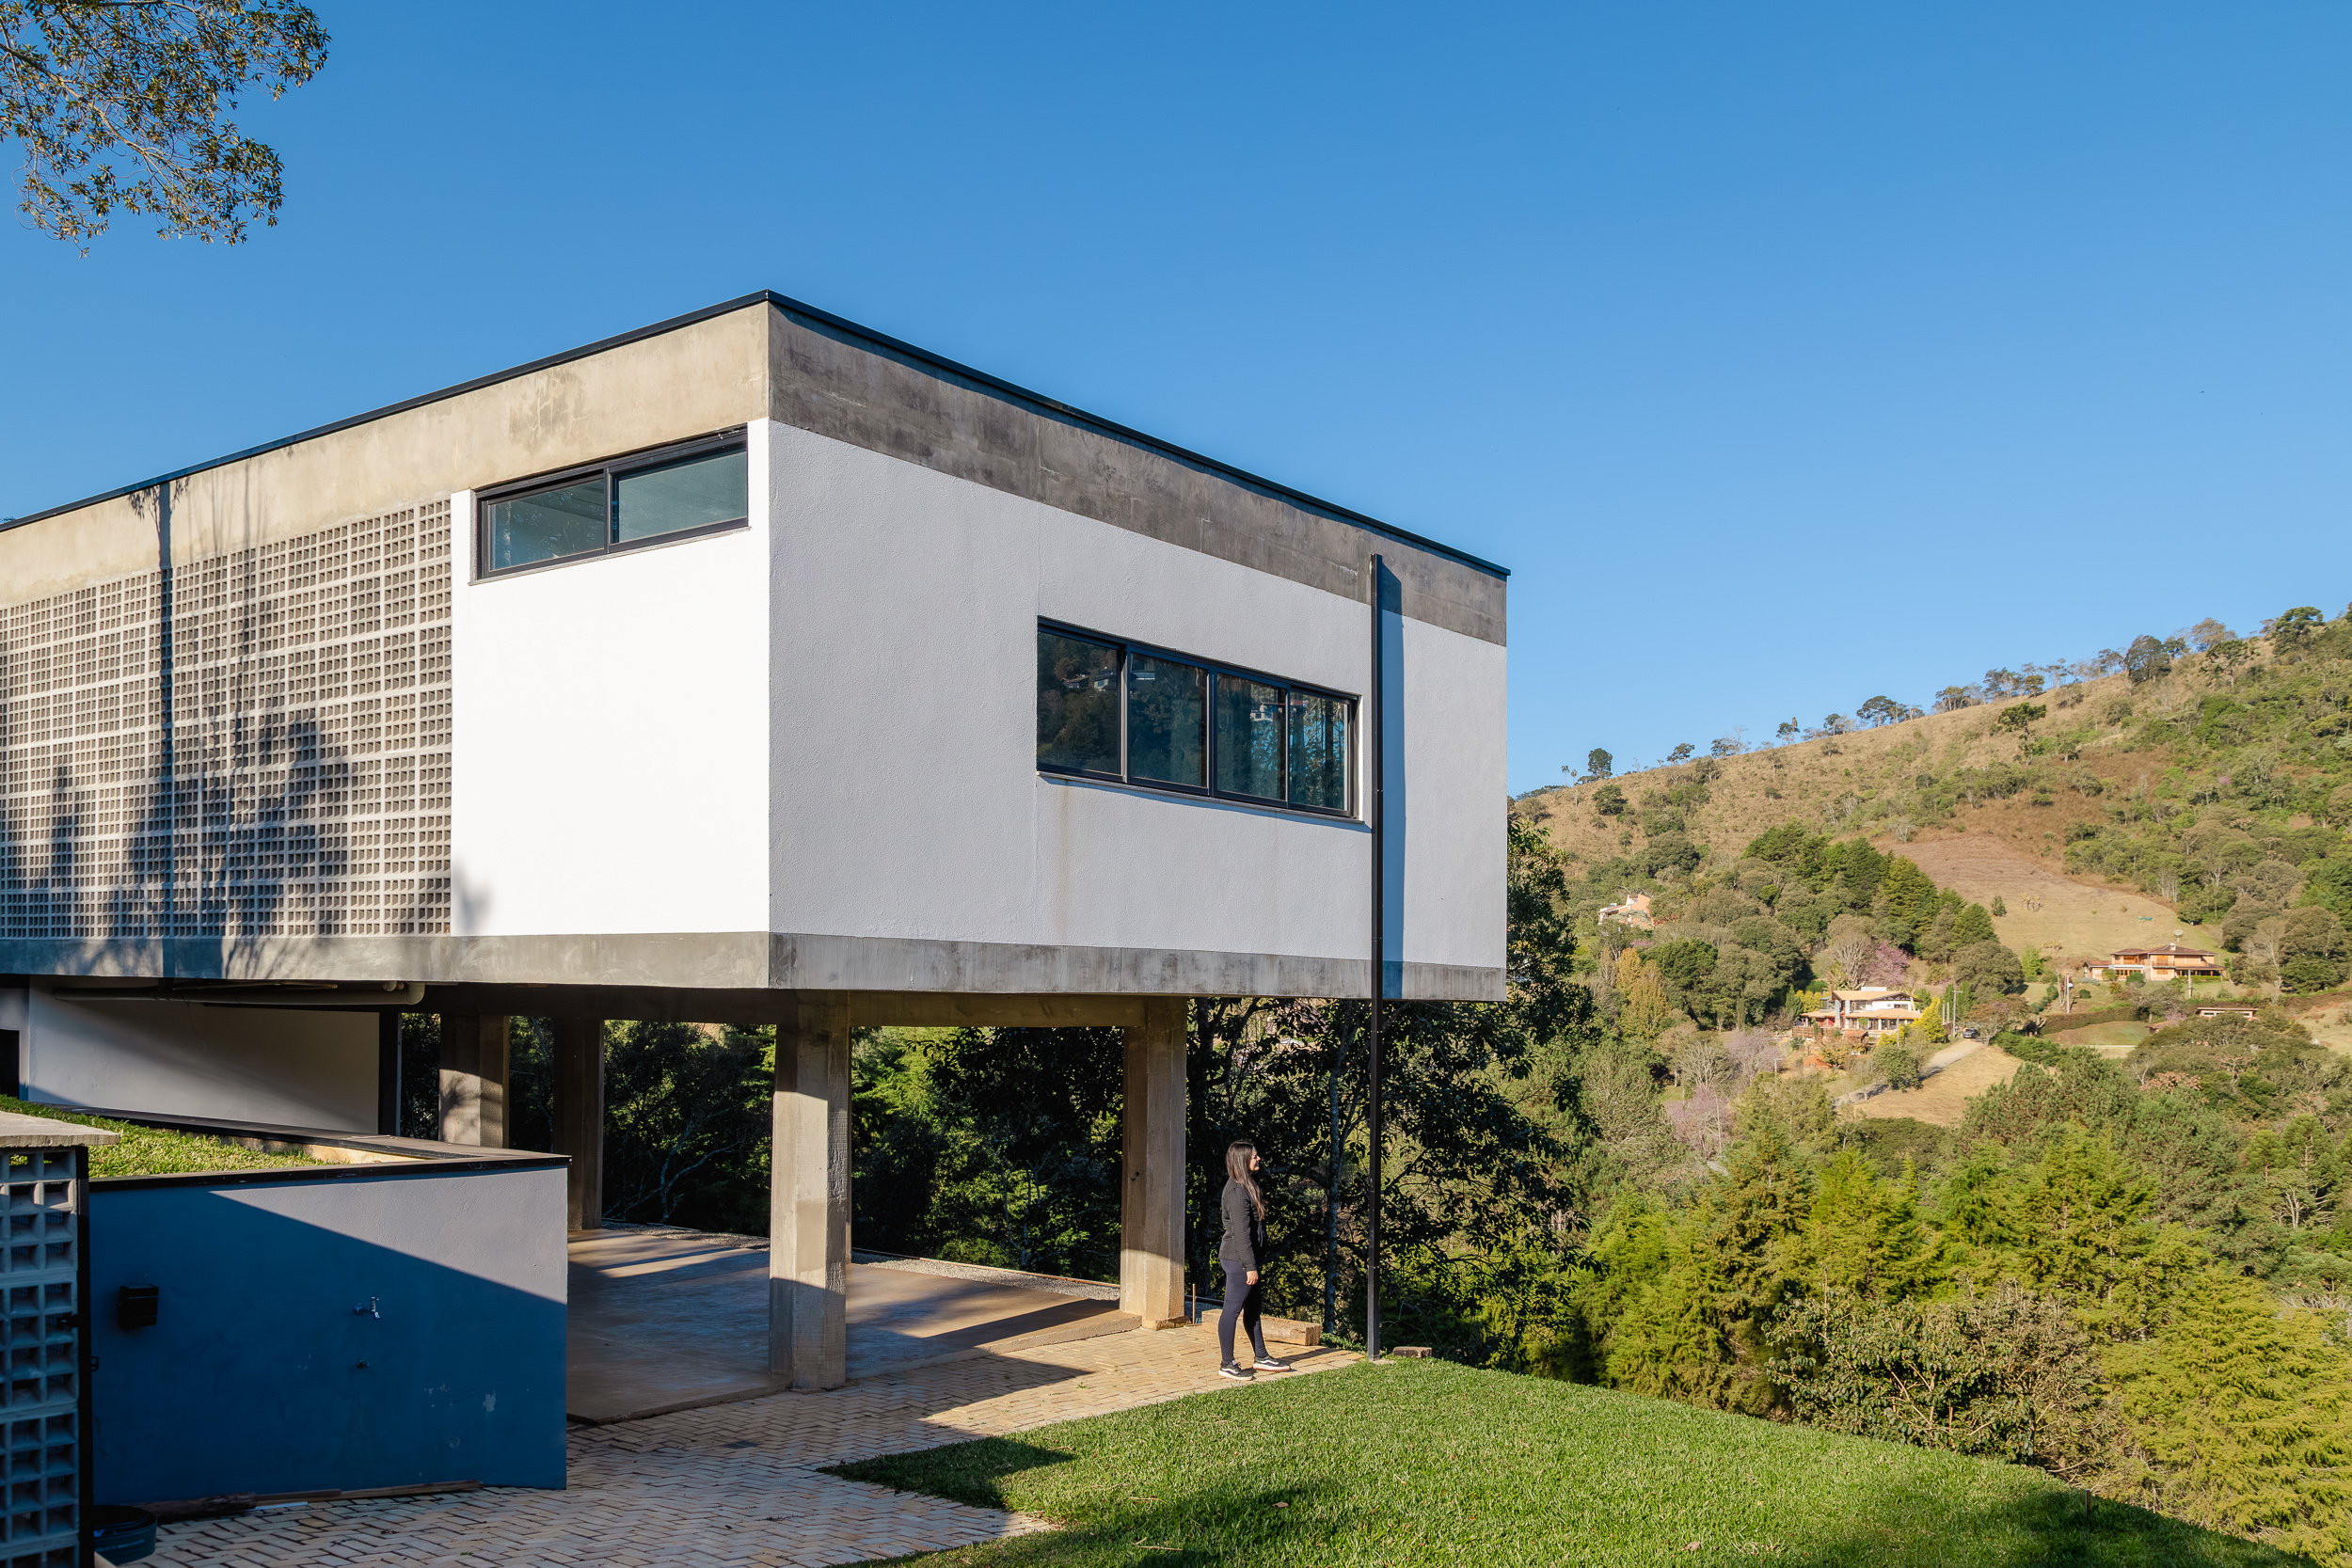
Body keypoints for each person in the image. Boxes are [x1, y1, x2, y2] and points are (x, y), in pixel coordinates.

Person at [1216, 1140, 1290, 1379]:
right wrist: (1249, 1267)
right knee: (1232, 1311)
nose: (1259, 1159)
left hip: (1248, 1260)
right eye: (1254, 1157)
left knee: (1253, 1309)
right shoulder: (1237, 1193)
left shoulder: (1247, 1185)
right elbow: (1240, 1235)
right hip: (1238, 1260)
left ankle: (1261, 1356)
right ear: (1241, 1161)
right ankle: (1227, 1363)